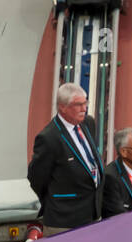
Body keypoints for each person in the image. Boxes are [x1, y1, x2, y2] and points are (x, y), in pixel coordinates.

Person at [27, 83, 104, 233]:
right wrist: (57, 200)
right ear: (62, 107)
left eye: (85, 102)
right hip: (65, 220)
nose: (84, 108)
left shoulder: (88, 123)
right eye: (78, 104)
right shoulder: (49, 138)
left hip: (92, 214)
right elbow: (37, 178)